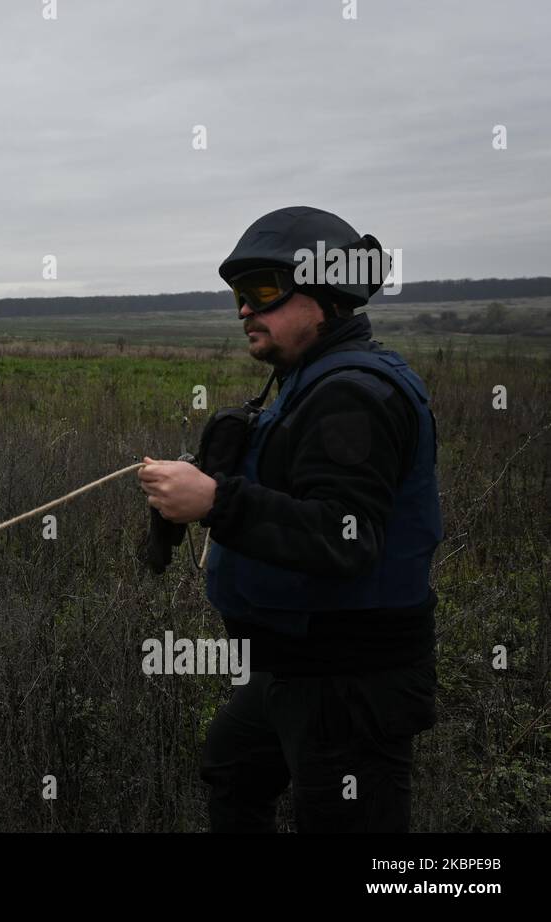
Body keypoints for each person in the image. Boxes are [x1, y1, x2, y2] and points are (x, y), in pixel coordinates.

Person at [138, 206, 442, 832]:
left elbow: (345, 536)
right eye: (239, 295)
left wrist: (217, 502)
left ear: (326, 296)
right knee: (232, 770)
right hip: (296, 664)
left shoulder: (351, 393)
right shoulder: (305, 381)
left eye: (265, 291)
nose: (246, 309)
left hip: (352, 680)